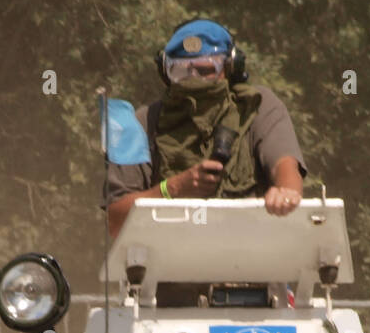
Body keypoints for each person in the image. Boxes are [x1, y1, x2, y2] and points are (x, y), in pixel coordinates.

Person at [103, 19, 307, 239]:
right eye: (181, 71)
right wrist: (174, 188)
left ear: (230, 68)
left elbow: (285, 166)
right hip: (169, 263)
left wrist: (286, 193)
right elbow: (116, 219)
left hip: (253, 256)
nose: (194, 79)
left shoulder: (258, 106)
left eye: (206, 69)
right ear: (166, 72)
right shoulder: (138, 124)